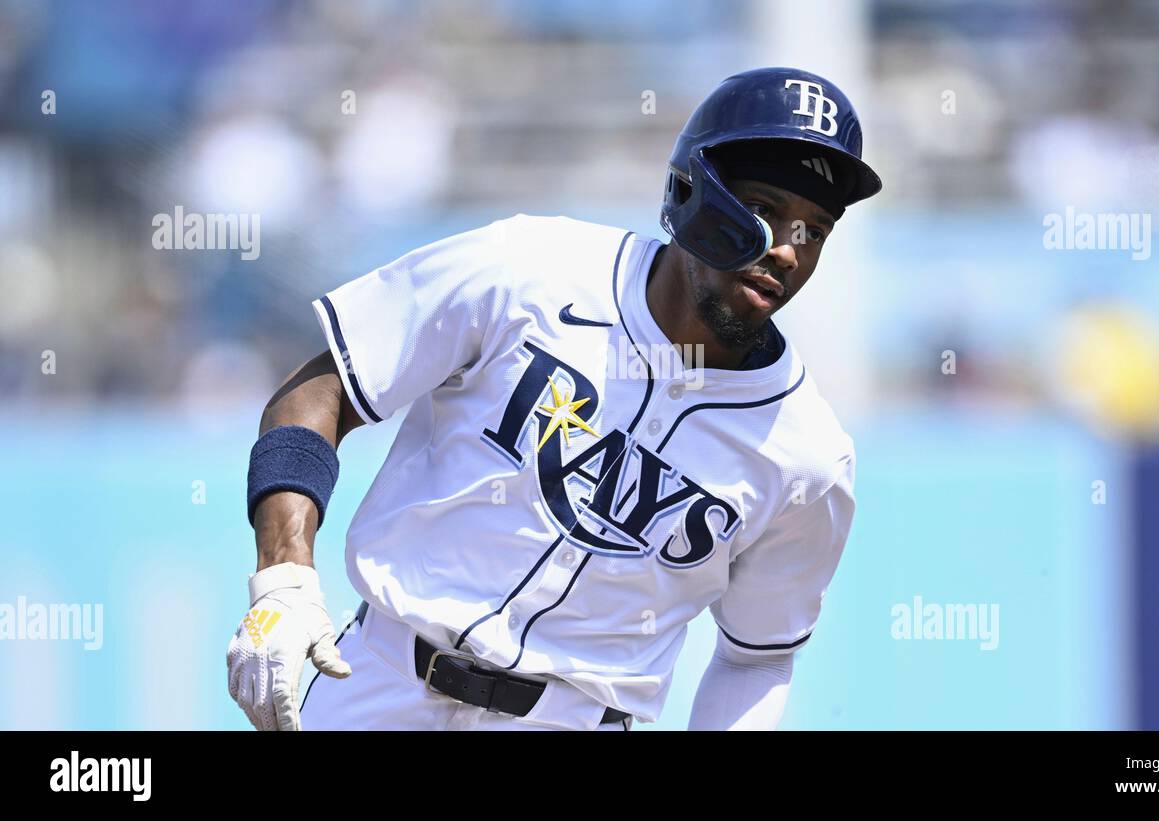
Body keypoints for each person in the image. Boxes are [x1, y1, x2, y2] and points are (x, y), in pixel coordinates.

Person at [226, 66, 883, 731]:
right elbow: (325, 385)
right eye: (765, 209)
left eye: (814, 230)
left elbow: (756, 657)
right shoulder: (527, 269)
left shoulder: (806, 454)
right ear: (695, 191)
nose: (787, 253)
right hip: (378, 682)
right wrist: (283, 576)